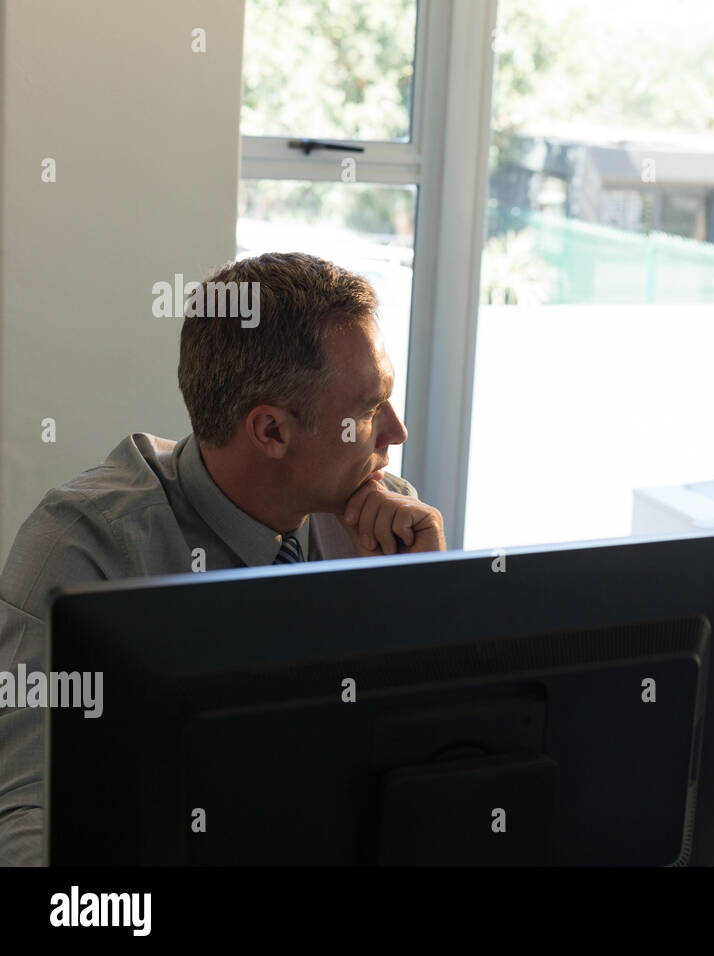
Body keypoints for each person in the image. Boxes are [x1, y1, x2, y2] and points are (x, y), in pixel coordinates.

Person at [0, 252, 445, 865]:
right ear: (270, 432)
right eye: (368, 409)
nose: (395, 432)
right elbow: (28, 815)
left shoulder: (383, 524)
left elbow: (444, 768)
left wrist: (430, 596)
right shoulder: (86, 546)